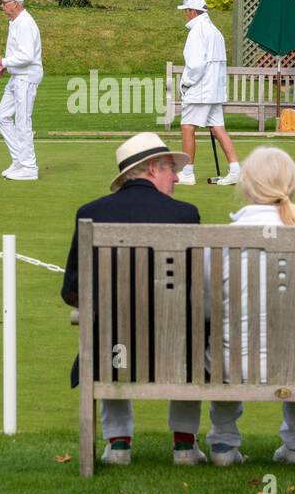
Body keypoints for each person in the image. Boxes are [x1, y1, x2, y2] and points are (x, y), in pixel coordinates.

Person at [61, 132, 217, 466]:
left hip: (114, 353)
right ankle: (185, 446)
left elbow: (71, 291)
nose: (176, 177)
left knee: (109, 331)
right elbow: (200, 289)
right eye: (170, 170)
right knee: (192, 332)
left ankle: (118, 446)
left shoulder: (90, 212)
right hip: (177, 351)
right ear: (151, 169)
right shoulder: (186, 214)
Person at [205, 147, 295, 466]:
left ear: (248, 187)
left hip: (233, 362)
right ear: (292, 184)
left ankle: (223, 443)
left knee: (222, 342)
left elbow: (207, 309)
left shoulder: (222, 240)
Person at [175, 0, 240, 186]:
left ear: (193, 12)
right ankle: (235, 170)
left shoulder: (197, 33)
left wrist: (185, 83)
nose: (185, 15)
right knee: (218, 128)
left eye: (186, 11)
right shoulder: (214, 31)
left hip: (200, 90)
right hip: (214, 90)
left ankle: (187, 173)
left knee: (187, 127)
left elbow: (195, 65)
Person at [0, 0, 42, 180]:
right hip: (17, 76)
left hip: (27, 77)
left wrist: (3, 61)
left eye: (5, 3)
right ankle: (19, 161)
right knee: (2, 116)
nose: (3, 7)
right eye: (2, 4)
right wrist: (6, 66)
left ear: (16, 3)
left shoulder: (25, 23)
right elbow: (18, 53)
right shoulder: (15, 22)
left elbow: (28, 56)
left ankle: (29, 167)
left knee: (22, 121)